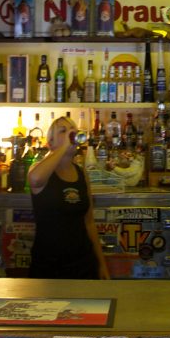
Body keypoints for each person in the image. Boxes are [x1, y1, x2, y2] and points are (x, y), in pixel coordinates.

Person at [26, 116, 108, 279]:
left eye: (73, 131)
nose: (71, 134)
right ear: (50, 142)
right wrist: (62, 148)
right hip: (48, 265)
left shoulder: (80, 172)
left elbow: (89, 221)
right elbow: (35, 179)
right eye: (63, 131)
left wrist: (101, 264)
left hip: (82, 262)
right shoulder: (39, 169)